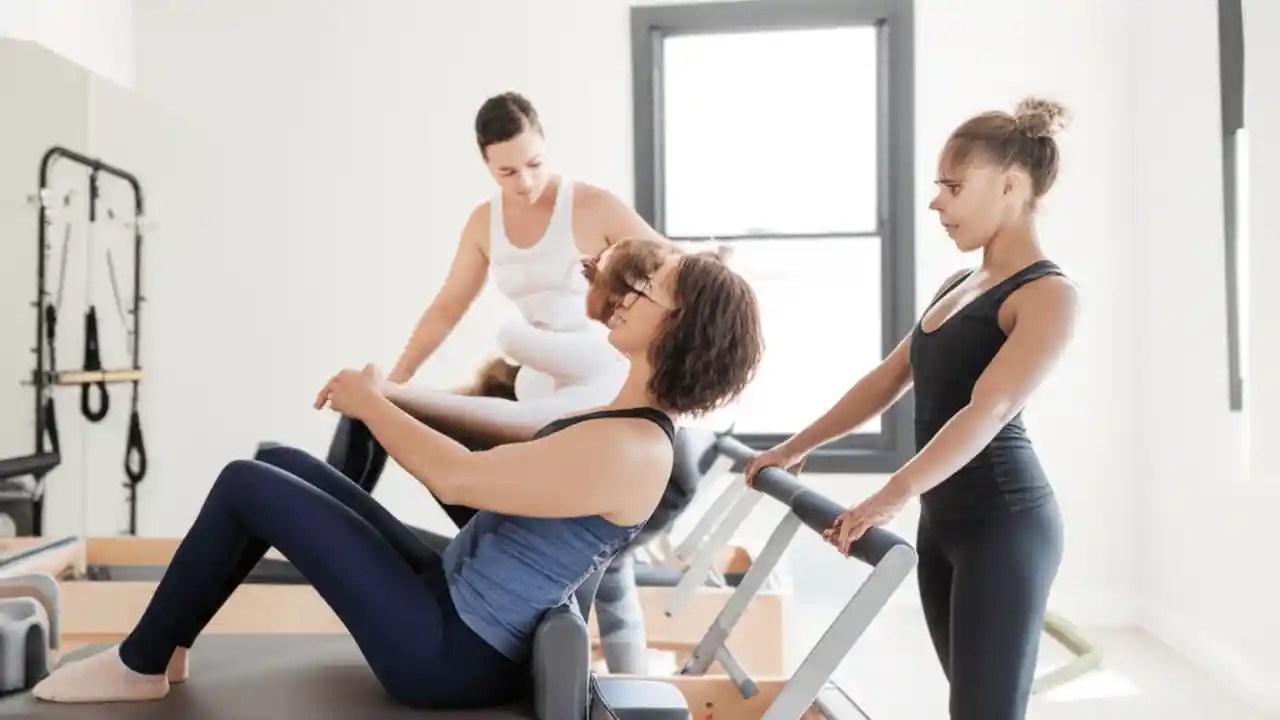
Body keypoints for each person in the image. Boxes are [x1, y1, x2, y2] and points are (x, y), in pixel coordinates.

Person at [32, 244, 764, 709]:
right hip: (455, 596)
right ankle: (174, 636)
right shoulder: (622, 421)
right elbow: (487, 464)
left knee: (243, 483)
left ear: (678, 330)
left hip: (451, 653)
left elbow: (461, 478)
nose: (628, 295)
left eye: (651, 292)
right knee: (275, 464)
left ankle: (139, 663)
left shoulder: (633, 448)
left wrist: (371, 406)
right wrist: (387, 403)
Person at [745, 97, 1078, 720]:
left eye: (953, 187)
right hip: (943, 524)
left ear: (1010, 186)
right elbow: (886, 380)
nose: (936, 203)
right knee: (972, 707)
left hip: (1003, 527)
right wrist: (795, 446)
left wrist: (889, 495)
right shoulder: (958, 285)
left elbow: (991, 407)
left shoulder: (1048, 294)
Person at [386, 90, 665, 447]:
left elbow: (672, 267)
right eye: (508, 172)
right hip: (539, 372)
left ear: (544, 144)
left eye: (535, 164)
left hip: (595, 359)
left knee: (508, 336)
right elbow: (446, 309)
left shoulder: (591, 206)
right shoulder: (483, 223)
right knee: (481, 414)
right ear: (486, 164)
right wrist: (395, 381)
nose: (526, 182)